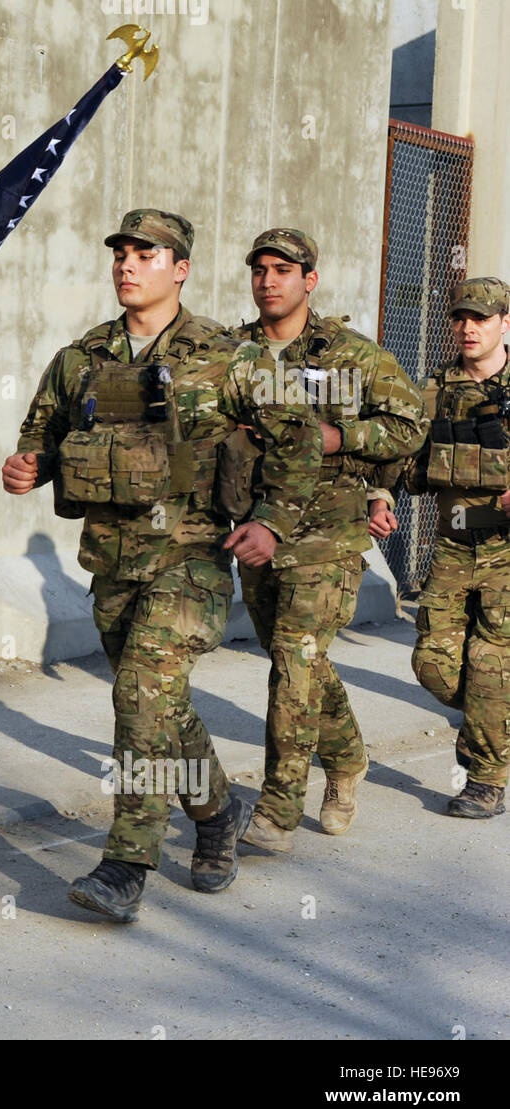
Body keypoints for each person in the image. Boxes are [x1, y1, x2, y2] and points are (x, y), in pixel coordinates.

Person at [2, 208, 322, 922]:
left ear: (180, 269)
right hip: (113, 561)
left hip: (192, 560)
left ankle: (126, 864)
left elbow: (298, 441)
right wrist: (30, 465)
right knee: (159, 708)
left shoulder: (230, 357)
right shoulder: (82, 358)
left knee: (140, 696)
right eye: (121, 252)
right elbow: (42, 430)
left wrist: (271, 522)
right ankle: (217, 811)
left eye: (146, 254)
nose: (127, 264)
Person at [228, 229, 426, 852]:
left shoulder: (351, 355)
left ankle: (277, 811)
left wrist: (342, 438)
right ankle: (348, 758)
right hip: (259, 530)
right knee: (300, 662)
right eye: (260, 269)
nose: (268, 280)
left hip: (328, 534)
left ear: (309, 280)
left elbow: (409, 425)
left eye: (283, 270)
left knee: (294, 663)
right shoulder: (233, 352)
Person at [385, 278, 510, 818]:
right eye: (460, 318)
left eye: (480, 318)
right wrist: (381, 495)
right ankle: (493, 715)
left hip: (506, 549)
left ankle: (485, 781)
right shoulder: (434, 390)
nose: (468, 328)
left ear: (505, 322)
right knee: (433, 665)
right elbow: (402, 457)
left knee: (489, 661)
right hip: (453, 545)